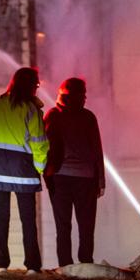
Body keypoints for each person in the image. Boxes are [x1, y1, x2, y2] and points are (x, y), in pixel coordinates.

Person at [0, 66, 47, 273]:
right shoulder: (30, 109)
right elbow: (39, 142)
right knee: (28, 220)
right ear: (31, 86)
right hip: (22, 173)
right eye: (36, 85)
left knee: (1, 219)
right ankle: (33, 266)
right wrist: (40, 168)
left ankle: (1, 263)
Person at [43, 77, 105, 267]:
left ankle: (65, 265)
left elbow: (43, 146)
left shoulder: (52, 115)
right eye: (83, 94)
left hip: (59, 178)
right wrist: (100, 180)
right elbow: (97, 150)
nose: (85, 98)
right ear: (77, 95)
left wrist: (46, 173)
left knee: (63, 225)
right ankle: (86, 262)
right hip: (86, 178)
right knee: (86, 225)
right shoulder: (88, 117)